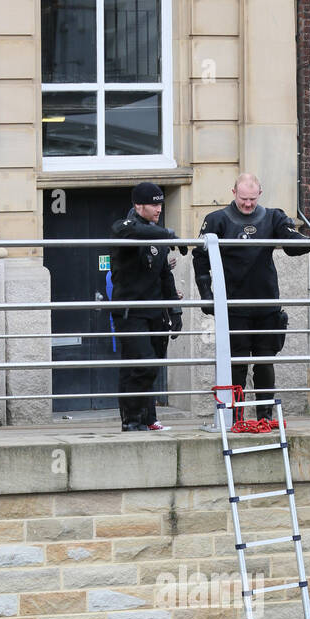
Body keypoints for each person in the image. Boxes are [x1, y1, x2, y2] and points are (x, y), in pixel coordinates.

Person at [192, 174, 310, 419]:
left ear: (260, 194)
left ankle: (265, 416)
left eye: (252, 199)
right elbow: (200, 258)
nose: (247, 204)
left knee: (265, 362)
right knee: (237, 364)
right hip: (234, 304)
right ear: (233, 192)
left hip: (266, 303)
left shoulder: (273, 216)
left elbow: (290, 242)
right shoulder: (216, 220)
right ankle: (236, 417)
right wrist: (206, 295)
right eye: (243, 198)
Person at [110, 181, 184, 432]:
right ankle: (131, 420)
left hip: (154, 312)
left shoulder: (157, 233)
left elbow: (165, 276)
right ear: (138, 205)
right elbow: (127, 231)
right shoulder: (126, 227)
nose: (159, 208)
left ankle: (148, 418)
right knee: (141, 364)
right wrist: (169, 235)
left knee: (151, 366)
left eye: (161, 203)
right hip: (130, 312)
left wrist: (175, 310)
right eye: (153, 204)